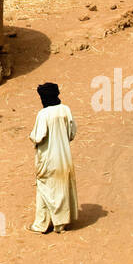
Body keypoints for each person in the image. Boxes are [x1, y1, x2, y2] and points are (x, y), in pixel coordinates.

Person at [27, 81, 79, 233]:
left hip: (48, 159)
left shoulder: (43, 114)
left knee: (44, 188)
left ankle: (41, 224)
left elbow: (38, 137)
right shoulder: (65, 110)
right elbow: (72, 133)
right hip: (64, 157)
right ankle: (59, 224)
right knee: (61, 189)